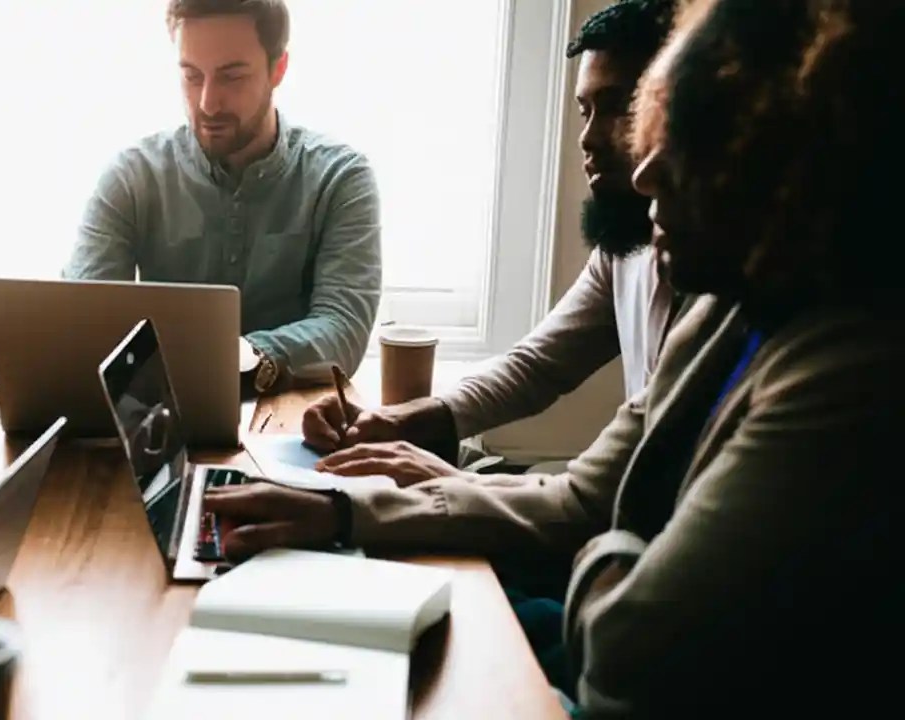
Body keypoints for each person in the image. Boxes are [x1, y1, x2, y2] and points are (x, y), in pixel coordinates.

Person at [208, 0, 903, 714]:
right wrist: (340, 510)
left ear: (795, 162)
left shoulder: (845, 365)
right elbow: (575, 473)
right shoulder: (727, 310)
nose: (642, 170)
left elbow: (625, 646)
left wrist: (605, 547)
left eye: (690, 134)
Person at [301, 0, 680, 478]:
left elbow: (608, 493)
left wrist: (448, 483)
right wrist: (404, 419)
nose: (587, 138)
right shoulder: (620, 250)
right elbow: (535, 367)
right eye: (585, 110)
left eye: (617, 110)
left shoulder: (715, 269)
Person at [63, 0, 381, 395]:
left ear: (277, 69)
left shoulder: (340, 178)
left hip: (295, 427)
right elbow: (84, 320)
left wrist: (243, 358)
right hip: (161, 424)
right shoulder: (132, 177)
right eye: (192, 76)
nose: (207, 104)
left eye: (232, 77)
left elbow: (342, 329)